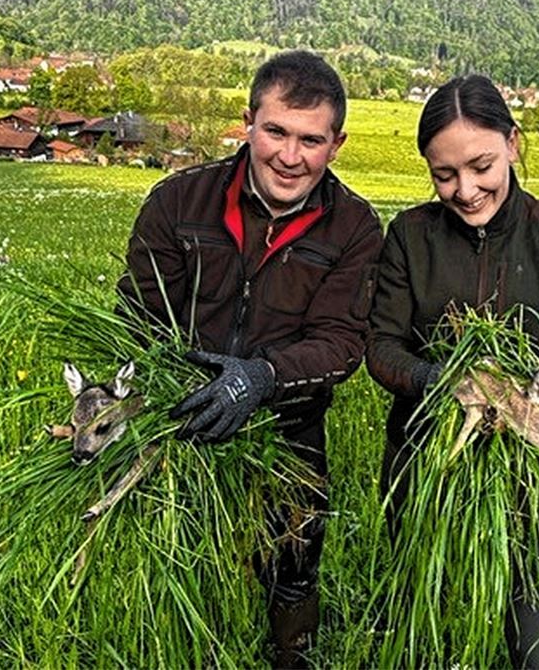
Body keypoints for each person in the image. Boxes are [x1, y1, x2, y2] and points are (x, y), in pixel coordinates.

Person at [116, 50, 383, 668]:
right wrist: (175, 385)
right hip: (185, 421)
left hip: (288, 429)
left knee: (291, 567)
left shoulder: (355, 229)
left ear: (336, 144)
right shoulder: (178, 202)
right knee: (187, 567)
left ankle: (289, 654)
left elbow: (342, 341)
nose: (291, 157)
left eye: (311, 140)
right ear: (248, 122)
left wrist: (262, 378)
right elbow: (139, 314)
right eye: (277, 132)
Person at [366, 74, 539, 668]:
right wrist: (445, 383)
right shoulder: (410, 237)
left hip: (528, 478)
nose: (466, 190)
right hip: (428, 466)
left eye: (480, 166)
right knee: (413, 636)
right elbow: (381, 346)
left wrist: (525, 390)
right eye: (443, 175)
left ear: (513, 143)